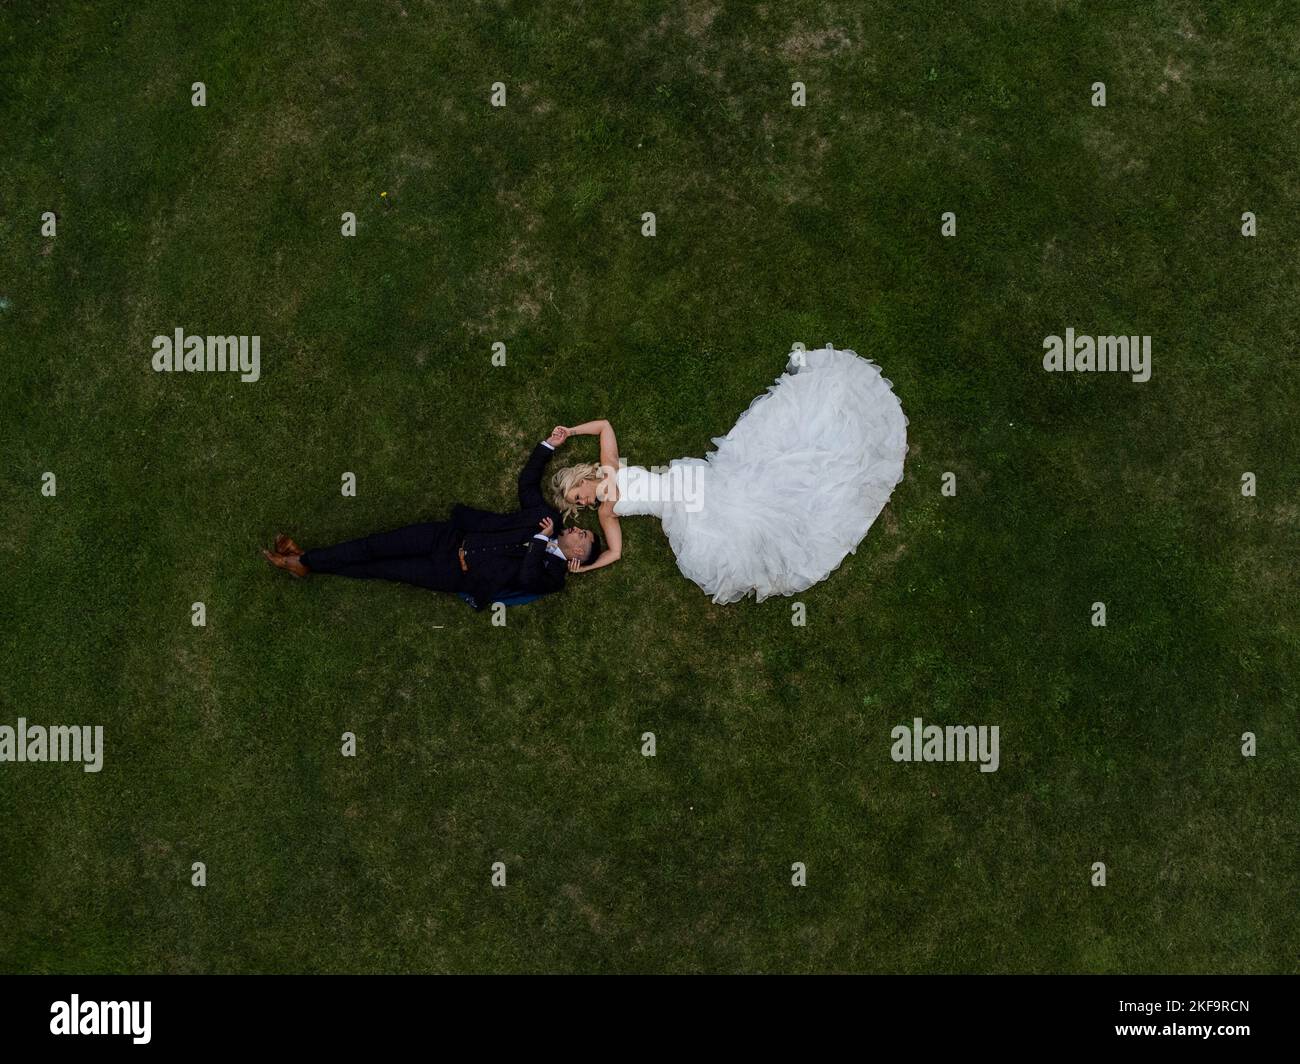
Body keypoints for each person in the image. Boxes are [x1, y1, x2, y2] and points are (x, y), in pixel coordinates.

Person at [548, 347, 908, 604]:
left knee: (752, 484)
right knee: (745, 523)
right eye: (578, 503)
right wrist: (584, 569)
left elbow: (604, 425)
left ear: (581, 480)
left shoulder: (610, 466)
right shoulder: (606, 512)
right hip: (681, 509)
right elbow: (615, 552)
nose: (584, 502)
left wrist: (571, 431)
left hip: (688, 482)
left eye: (578, 495)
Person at [262, 429, 601, 609]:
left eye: (582, 536)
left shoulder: (553, 576)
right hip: (450, 537)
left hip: (451, 572)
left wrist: (540, 541)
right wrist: (548, 446)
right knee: (374, 546)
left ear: (577, 554)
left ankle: (304, 562)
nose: (577, 528)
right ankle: (305, 560)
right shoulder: (547, 517)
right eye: (582, 529)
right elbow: (527, 484)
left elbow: (527, 577)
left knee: (379, 568)